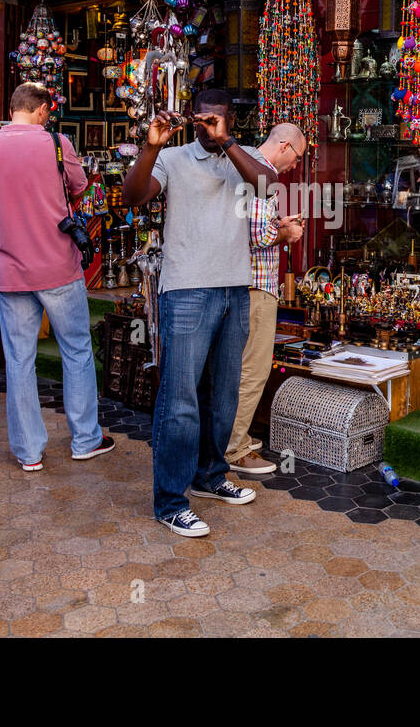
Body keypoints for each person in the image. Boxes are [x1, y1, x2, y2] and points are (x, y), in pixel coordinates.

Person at [122, 88, 279, 538]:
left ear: (230, 120)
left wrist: (228, 143)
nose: (209, 126)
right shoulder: (173, 159)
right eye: (204, 120)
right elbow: (134, 197)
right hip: (187, 290)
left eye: (219, 119)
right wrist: (152, 147)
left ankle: (209, 477)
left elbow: (268, 188)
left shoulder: (243, 156)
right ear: (193, 120)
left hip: (235, 289)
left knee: (224, 394)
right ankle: (171, 501)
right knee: (181, 400)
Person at [0, 82, 113, 471]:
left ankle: (28, 451)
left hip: (10, 268)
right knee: (76, 350)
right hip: (56, 265)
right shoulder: (57, 143)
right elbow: (81, 188)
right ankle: (86, 438)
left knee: (19, 360)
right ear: (41, 110)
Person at [227, 123, 306, 475]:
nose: (295, 166)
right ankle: (234, 448)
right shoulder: (263, 173)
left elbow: (247, 225)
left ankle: (229, 436)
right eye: (298, 157)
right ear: (285, 146)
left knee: (234, 368)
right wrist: (286, 232)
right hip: (255, 285)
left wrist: (276, 222)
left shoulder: (240, 161)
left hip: (233, 281)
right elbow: (258, 236)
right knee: (253, 369)